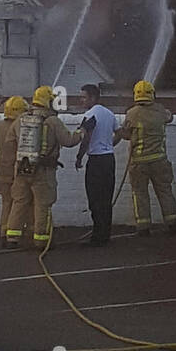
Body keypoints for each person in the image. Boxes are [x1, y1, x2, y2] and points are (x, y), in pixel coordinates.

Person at [5, 87, 83, 250]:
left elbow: (10, 141)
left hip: (22, 167)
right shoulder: (52, 121)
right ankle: (42, 240)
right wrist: (82, 131)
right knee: (43, 204)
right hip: (43, 170)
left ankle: (12, 237)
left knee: (19, 201)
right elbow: (68, 141)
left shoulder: (21, 119)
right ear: (47, 101)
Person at [114, 80, 176, 235]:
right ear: (153, 94)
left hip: (139, 162)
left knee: (140, 193)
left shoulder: (132, 113)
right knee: (165, 191)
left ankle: (143, 227)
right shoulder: (161, 111)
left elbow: (126, 134)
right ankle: (173, 223)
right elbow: (170, 118)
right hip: (160, 160)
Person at [75, 83, 121, 246]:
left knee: (95, 198)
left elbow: (86, 136)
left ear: (93, 97)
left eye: (84, 97)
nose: (81, 100)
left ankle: (97, 236)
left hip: (96, 161)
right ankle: (105, 234)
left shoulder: (90, 115)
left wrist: (79, 156)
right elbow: (119, 133)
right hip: (109, 159)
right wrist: (109, 144)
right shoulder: (109, 114)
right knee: (106, 198)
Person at [0, 95, 27, 245]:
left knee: (6, 203)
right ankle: (13, 235)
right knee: (18, 203)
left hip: (1, 171)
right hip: (14, 172)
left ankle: (3, 232)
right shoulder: (18, 127)